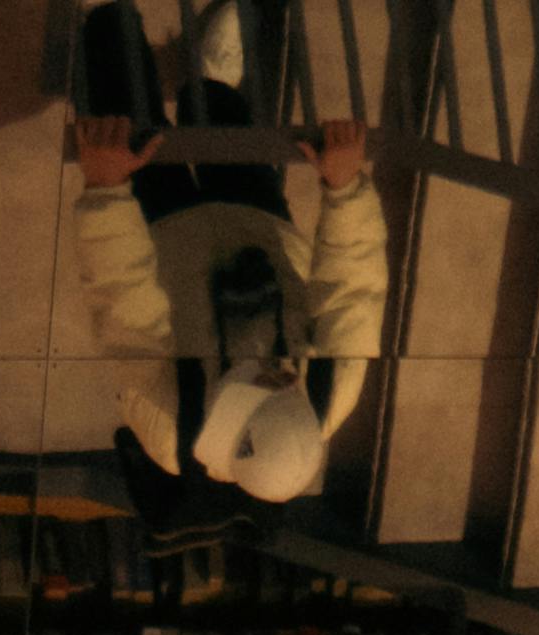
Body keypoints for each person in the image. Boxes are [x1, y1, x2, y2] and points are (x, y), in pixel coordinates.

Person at [70, 7, 385, 520]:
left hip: (161, 241)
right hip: (258, 234)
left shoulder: (175, 430)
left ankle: (108, 22)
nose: (254, 374)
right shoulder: (334, 391)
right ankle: (212, 80)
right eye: (272, 381)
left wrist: (106, 192)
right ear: (296, 394)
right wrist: (344, 189)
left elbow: (125, 309)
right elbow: (354, 285)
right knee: (225, 126)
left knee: (121, 113)